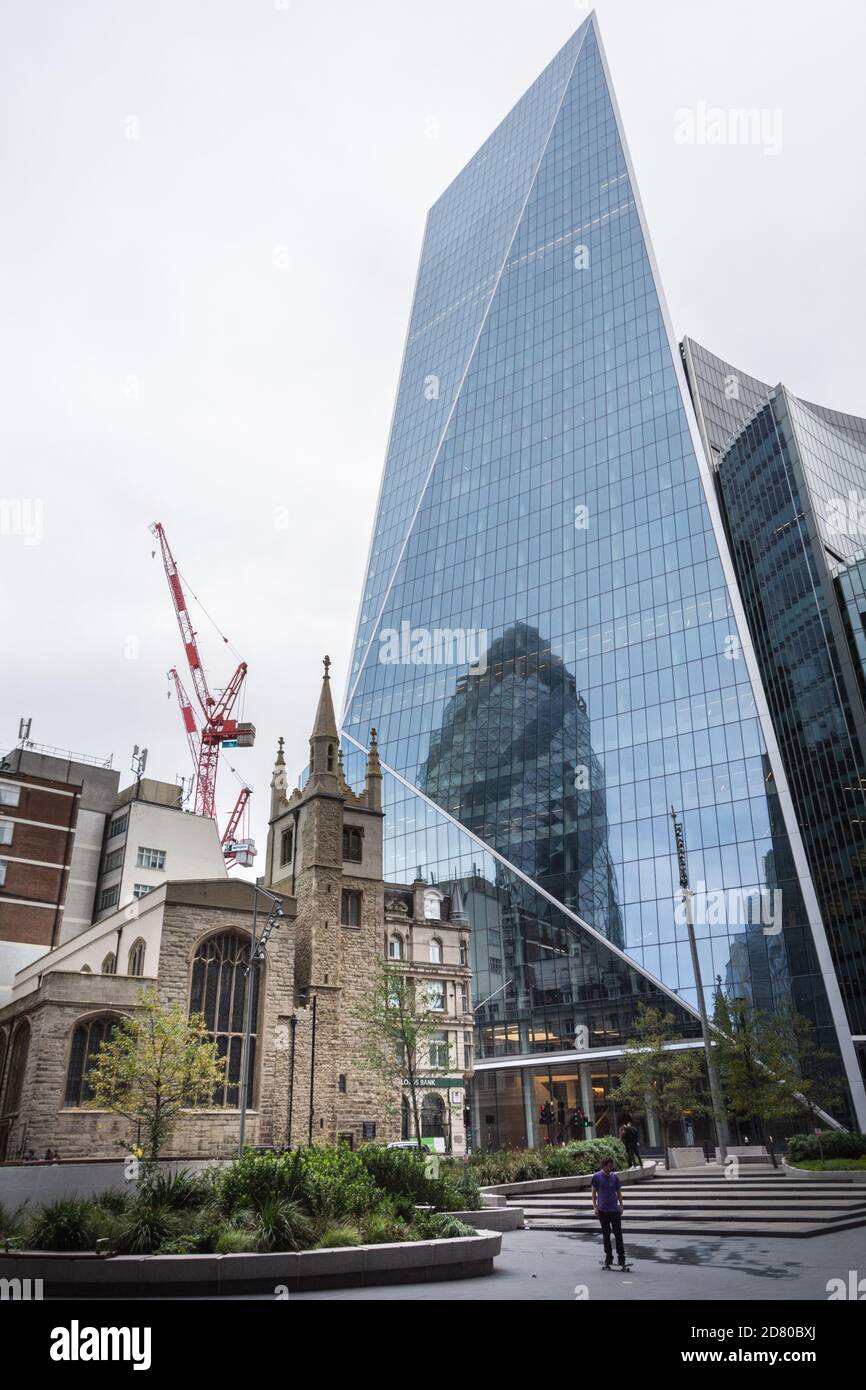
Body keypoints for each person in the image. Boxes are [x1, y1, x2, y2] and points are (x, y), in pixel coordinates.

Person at [591, 1156, 626, 1268]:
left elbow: (619, 1192)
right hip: (603, 1210)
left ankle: (621, 1257)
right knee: (606, 1235)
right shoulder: (596, 1177)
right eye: (609, 1166)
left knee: (618, 1234)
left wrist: (621, 1205)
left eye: (612, 1166)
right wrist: (595, 1207)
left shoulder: (614, 1177)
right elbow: (593, 1193)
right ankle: (609, 1256)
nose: (611, 1168)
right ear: (604, 1165)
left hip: (614, 1210)